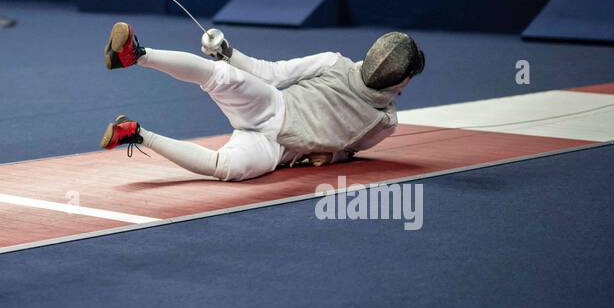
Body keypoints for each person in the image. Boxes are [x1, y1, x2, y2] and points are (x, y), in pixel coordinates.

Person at [99, 24, 424, 181]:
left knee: (227, 168)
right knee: (221, 76)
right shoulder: (334, 63)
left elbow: (352, 148)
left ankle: (136, 134)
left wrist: (334, 155)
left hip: (284, 150)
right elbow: (271, 73)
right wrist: (228, 52)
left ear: (402, 79)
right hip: (274, 107)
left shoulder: (385, 121)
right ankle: (136, 55)